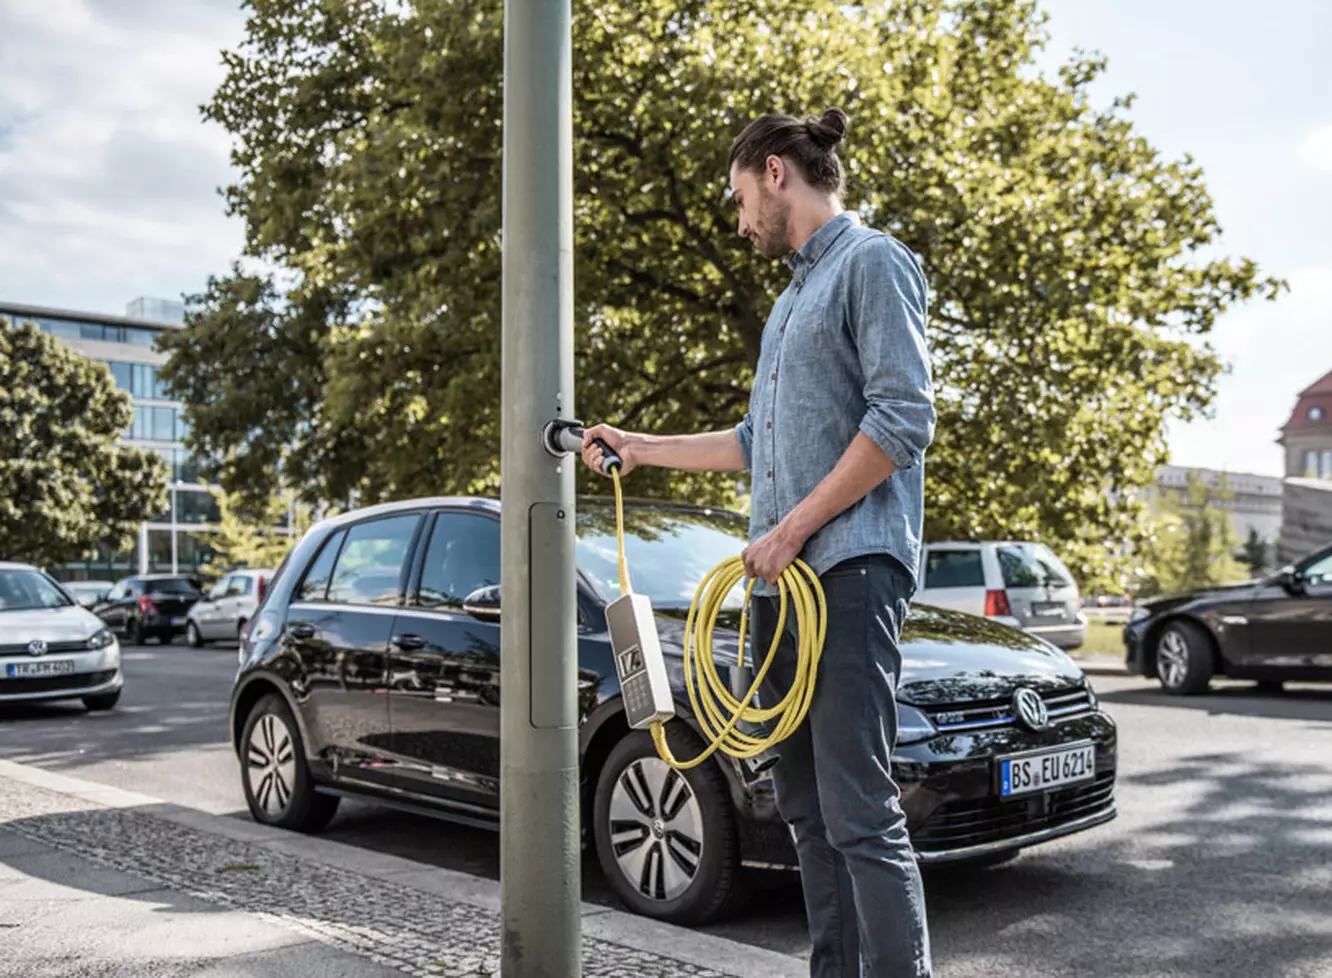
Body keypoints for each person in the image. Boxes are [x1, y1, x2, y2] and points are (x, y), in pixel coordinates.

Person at [582, 107, 935, 978]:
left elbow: (903, 420)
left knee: (860, 811)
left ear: (776, 171)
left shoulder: (872, 264)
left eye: (741, 199)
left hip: (849, 573)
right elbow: (754, 441)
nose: (740, 223)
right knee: (807, 813)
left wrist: (792, 527)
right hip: (783, 592)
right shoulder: (788, 307)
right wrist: (641, 446)